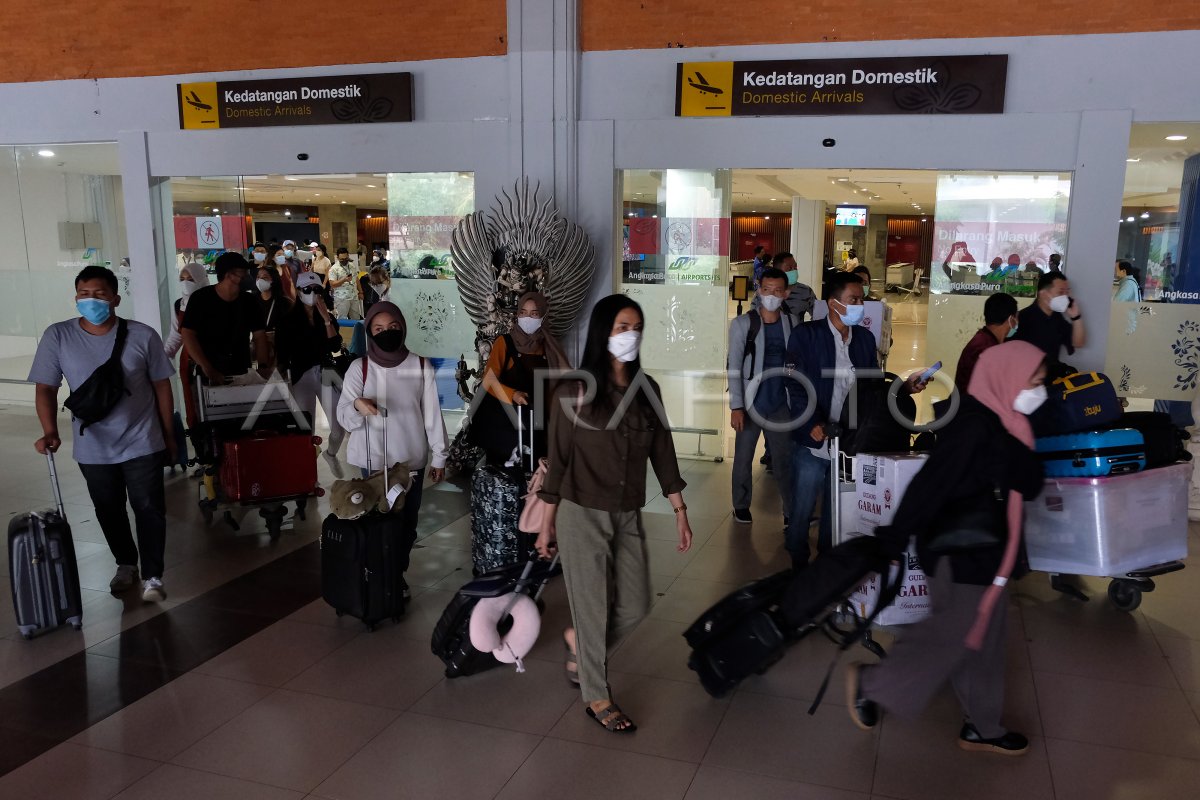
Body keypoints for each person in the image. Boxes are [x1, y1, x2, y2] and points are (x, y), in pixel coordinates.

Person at [846, 341, 1048, 756]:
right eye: (1035, 381)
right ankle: (871, 685)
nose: (1039, 389)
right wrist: (894, 538)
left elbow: (1029, 480)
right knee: (951, 637)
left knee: (986, 640)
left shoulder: (1006, 424)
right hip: (961, 554)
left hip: (988, 552)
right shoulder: (976, 427)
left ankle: (982, 726)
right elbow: (930, 484)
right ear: (1006, 378)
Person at [535, 294, 693, 734]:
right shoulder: (574, 390)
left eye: (636, 326)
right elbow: (558, 461)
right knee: (591, 609)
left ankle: (581, 645)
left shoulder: (648, 390)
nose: (631, 334)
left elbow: (663, 450)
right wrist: (546, 525)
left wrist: (679, 508)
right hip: (580, 512)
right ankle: (597, 695)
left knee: (637, 602)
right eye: (622, 326)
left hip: (626, 512)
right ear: (604, 330)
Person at [29, 266, 176, 603]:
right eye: (84, 294)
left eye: (99, 294)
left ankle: (153, 575)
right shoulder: (59, 336)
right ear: (76, 297)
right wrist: (49, 430)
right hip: (92, 444)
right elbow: (45, 388)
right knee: (107, 507)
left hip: (142, 438)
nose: (91, 300)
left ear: (115, 299)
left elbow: (161, 386)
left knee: (149, 507)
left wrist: (168, 433)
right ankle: (126, 563)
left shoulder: (142, 335)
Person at [784, 272, 928, 569]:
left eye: (861, 299)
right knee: (802, 507)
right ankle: (798, 559)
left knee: (835, 507)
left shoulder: (864, 338)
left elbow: (872, 386)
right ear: (833, 303)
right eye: (854, 299)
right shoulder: (807, 335)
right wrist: (811, 421)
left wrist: (905, 387)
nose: (860, 305)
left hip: (849, 439)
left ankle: (825, 562)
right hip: (813, 438)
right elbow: (795, 384)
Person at [337, 301, 447, 596]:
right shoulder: (359, 369)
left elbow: (432, 415)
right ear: (370, 333)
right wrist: (359, 406)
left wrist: (440, 455)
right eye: (379, 329)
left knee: (406, 523)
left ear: (403, 327)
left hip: (410, 459)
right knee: (377, 521)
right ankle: (378, 576)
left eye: (393, 327)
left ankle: (395, 574)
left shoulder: (420, 365)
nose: (387, 333)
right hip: (372, 462)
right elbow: (344, 416)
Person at [729, 267, 796, 525]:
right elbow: (734, 367)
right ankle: (741, 505)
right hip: (749, 403)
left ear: (786, 293)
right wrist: (736, 406)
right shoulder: (743, 324)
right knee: (743, 458)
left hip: (781, 403)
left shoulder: (792, 324)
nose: (771, 295)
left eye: (777, 291)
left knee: (784, 461)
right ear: (758, 289)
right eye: (766, 290)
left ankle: (791, 511)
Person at [476, 291, 571, 464]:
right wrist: (513, 394)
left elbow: (558, 385)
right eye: (523, 312)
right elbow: (489, 381)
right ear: (517, 314)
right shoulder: (504, 343)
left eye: (534, 314)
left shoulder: (549, 347)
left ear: (543, 316)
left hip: (539, 426)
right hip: (506, 425)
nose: (528, 318)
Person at [278, 272, 347, 477]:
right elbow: (282, 354)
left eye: (317, 289)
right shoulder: (288, 320)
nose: (313, 294)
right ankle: (309, 476)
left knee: (338, 426)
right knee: (305, 429)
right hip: (300, 375)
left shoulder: (327, 317)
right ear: (299, 292)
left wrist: (326, 319)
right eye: (308, 290)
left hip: (325, 372)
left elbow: (334, 345)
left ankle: (331, 454)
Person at [181, 252, 269, 385]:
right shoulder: (200, 299)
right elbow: (187, 333)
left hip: (241, 372)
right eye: (243, 272)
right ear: (230, 275)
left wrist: (263, 367)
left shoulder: (249, 301)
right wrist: (206, 367)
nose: (247, 275)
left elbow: (259, 335)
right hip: (208, 375)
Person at [1013, 270, 1084, 367]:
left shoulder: (1057, 318)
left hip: (1052, 376)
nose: (1065, 297)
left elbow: (1078, 343)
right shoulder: (1022, 318)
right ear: (1043, 294)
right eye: (1060, 292)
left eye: (1067, 292)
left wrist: (1076, 317)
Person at [954, 292, 1018, 393]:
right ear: (1011, 319)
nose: (1017, 322)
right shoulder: (984, 349)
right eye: (1016, 317)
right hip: (972, 407)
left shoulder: (985, 340)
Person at [254, 263, 288, 370]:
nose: (260, 280)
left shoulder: (282, 302)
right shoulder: (252, 300)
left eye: (264, 278)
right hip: (256, 344)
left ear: (273, 280)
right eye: (258, 277)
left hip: (276, 345)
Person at [329, 247, 361, 320]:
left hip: (353, 296)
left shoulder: (352, 265)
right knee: (342, 319)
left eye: (346, 258)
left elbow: (356, 279)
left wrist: (361, 292)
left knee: (356, 318)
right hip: (342, 298)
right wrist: (343, 280)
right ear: (337, 257)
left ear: (348, 256)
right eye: (342, 259)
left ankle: (356, 331)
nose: (344, 261)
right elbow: (332, 284)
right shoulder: (334, 269)